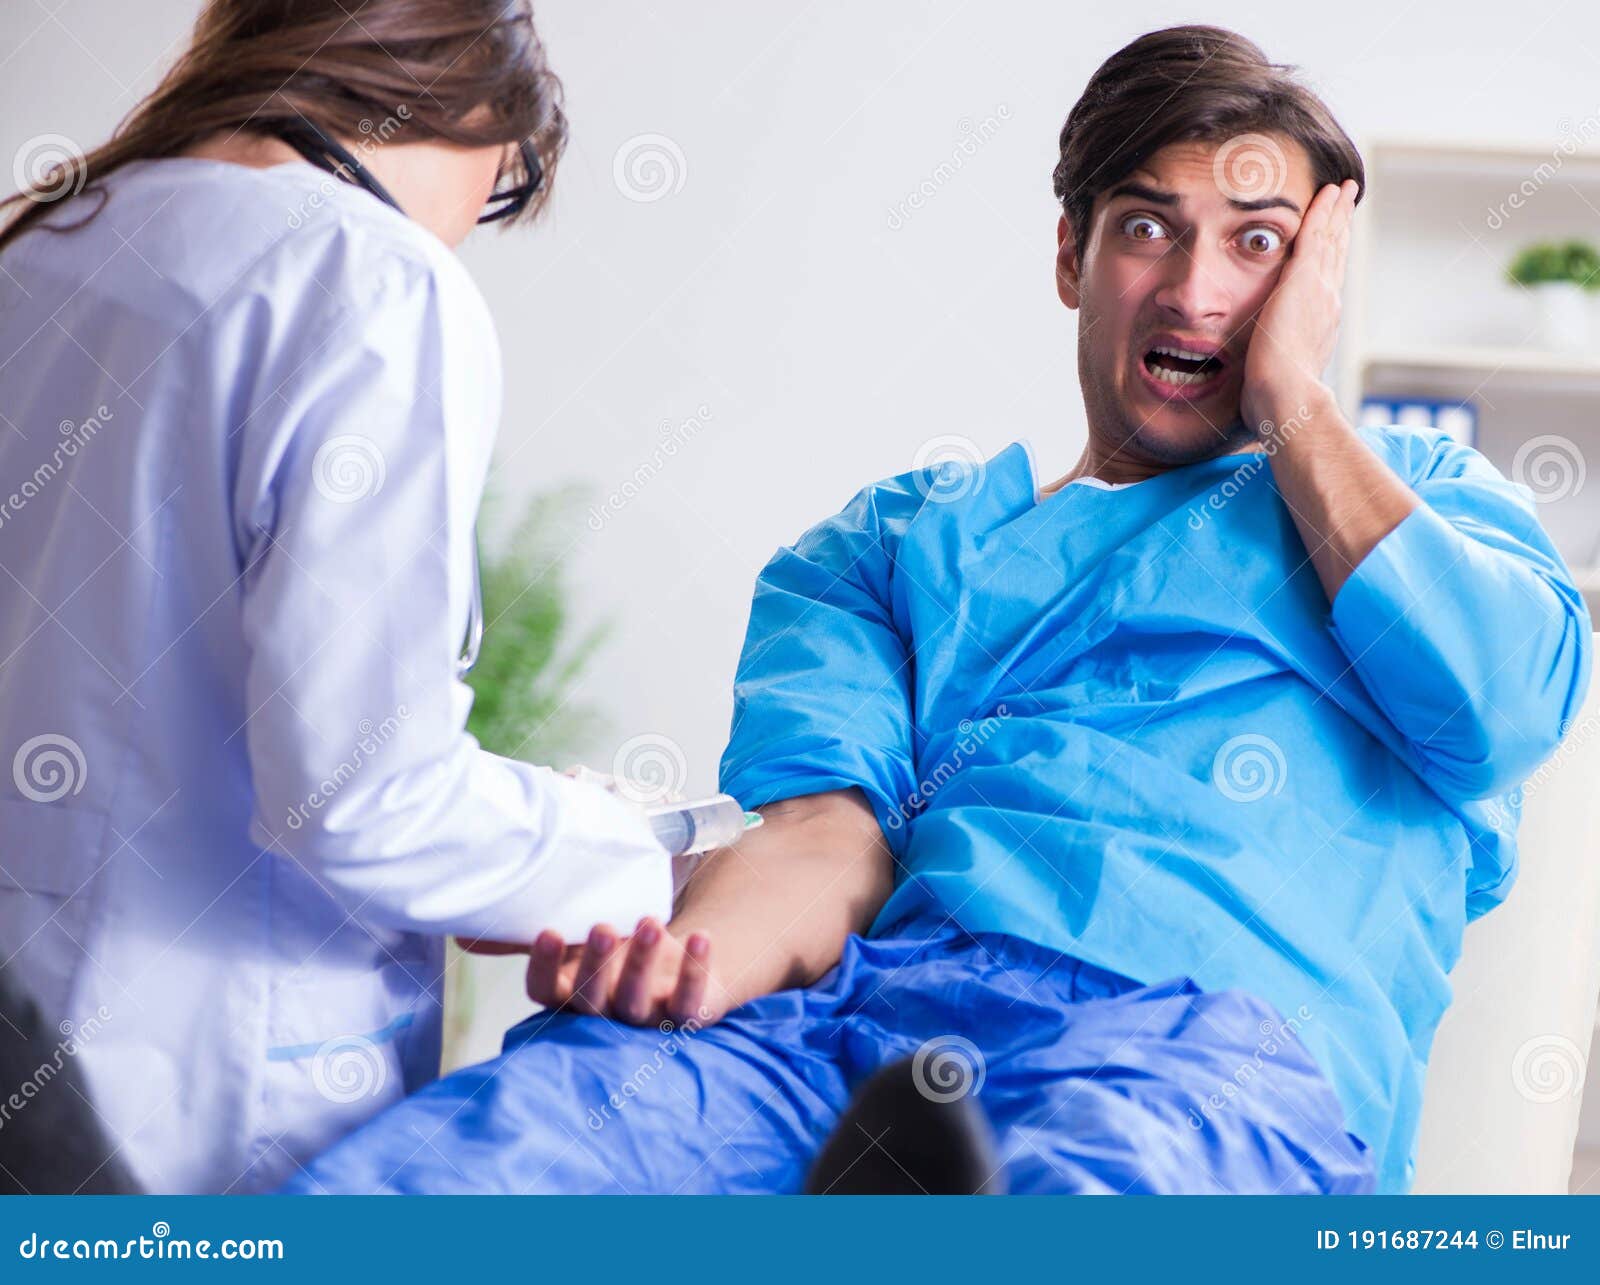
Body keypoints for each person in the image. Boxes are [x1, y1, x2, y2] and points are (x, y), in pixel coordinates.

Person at [283, 25, 1592, 1196]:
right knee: (536, 1132)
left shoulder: (1417, 499)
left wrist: (1297, 401)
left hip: (1207, 1052)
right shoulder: (892, 543)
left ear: (1315, 282)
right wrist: (685, 964)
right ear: (1073, 253)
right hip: (862, 1024)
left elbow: (1498, 713)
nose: (1198, 295)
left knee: (1093, 1184)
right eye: (1148, 227)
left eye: (1256, 246)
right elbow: (822, 837)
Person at [0, 0, 672, 1194]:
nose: (470, 233)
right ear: (471, 115)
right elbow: (366, 798)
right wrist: (624, 846)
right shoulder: (369, 275)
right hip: (191, 1114)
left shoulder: (49, 241)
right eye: (502, 194)